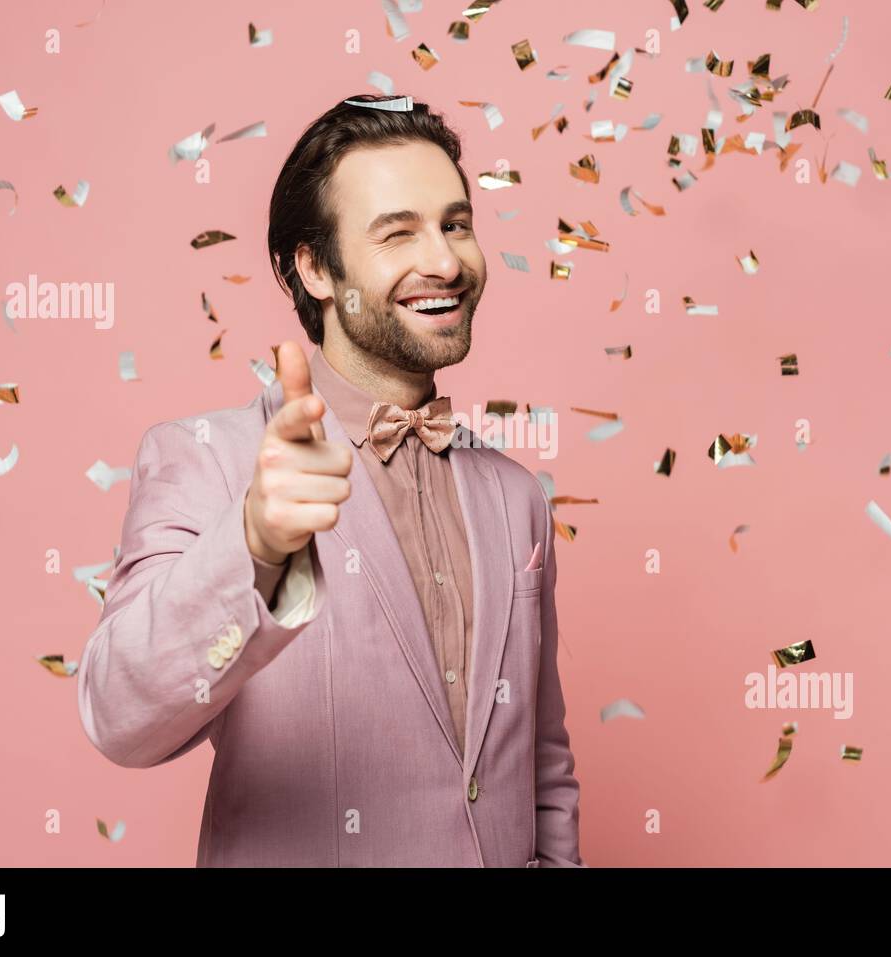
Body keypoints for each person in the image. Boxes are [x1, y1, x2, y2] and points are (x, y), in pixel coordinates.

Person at [77, 94, 583, 867]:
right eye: (397, 232)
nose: (445, 261)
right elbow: (119, 715)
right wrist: (253, 540)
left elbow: (541, 764)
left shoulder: (517, 498)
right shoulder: (205, 459)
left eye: (454, 223)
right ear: (314, 267)